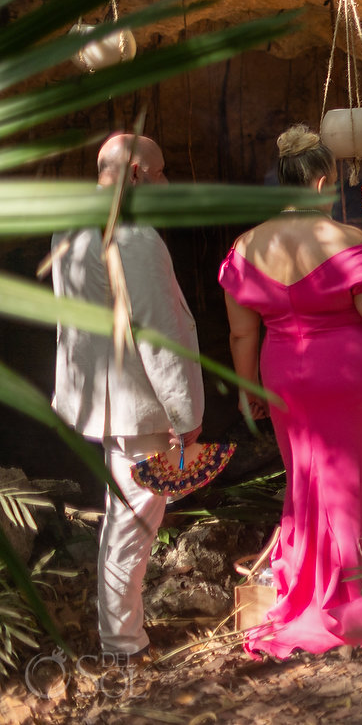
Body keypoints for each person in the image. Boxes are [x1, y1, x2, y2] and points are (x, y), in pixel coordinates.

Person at [218, 124, 362, 658]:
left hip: (282, 374)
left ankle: (307, 588)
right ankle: (353, 597)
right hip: (346, 372)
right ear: (323, 182)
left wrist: (246, 386)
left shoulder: (246, 245)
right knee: (354, 473)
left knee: (305, 478)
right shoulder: (347, 239)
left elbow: (241, 331)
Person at [51, 134, 204, 659]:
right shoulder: (135, 237)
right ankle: (123, 643)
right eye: (161, 172)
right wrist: (186, 415)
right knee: (135, 521)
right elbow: (159, 335)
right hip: (136, 402)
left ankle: (120, 632)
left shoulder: (68, 224)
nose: (166, 183)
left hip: (101, 397)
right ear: (136, 174)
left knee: (127, 515)